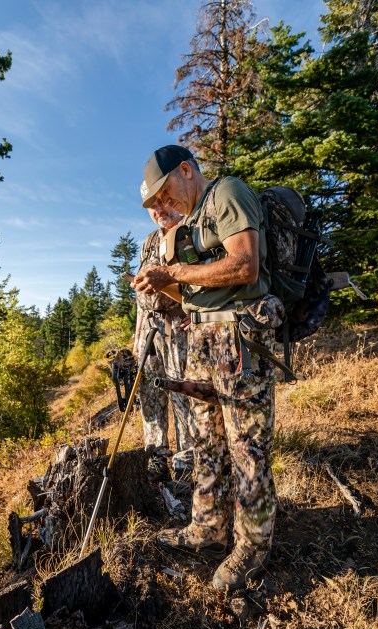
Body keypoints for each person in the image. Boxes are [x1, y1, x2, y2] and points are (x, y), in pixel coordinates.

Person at [133, 144, 282, 592]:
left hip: (240, 339)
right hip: (203, 337)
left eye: (163, 195)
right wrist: (160, 285)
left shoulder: (228, 193)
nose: (161, 206)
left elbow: (244, 264)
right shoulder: (190, 224)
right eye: (153, 204)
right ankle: (208, 527)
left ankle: (253, 547)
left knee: (246, 446)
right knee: (205, 441)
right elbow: (194, 298)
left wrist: (175, 272)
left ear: (186, 169)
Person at [132, 202, 196, 483]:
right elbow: (139, 290)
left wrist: (198, 314)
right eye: (152, 208)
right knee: (149, 392)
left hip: (178, 327)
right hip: (150, 328)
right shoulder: (149, 241)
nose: (159, 211)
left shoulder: (191, 232)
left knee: (181, 392)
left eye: (163, 203)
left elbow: (209, 280)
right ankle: (156, 457)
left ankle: (186, 464)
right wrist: (137, 334)